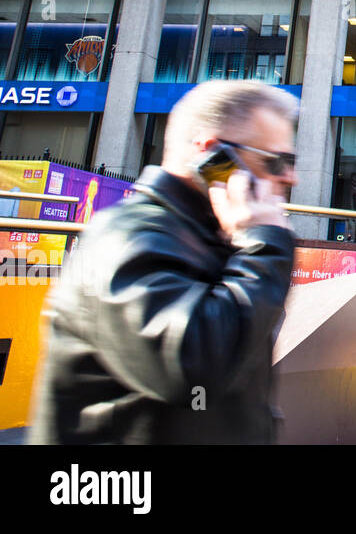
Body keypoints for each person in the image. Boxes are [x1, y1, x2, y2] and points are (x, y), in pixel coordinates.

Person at [30, 80, 299, 444]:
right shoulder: (127, 237)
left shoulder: (220, 237)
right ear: (215, 157)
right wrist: (264, 245)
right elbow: (193, 369)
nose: (290, 176)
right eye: (275, 161)